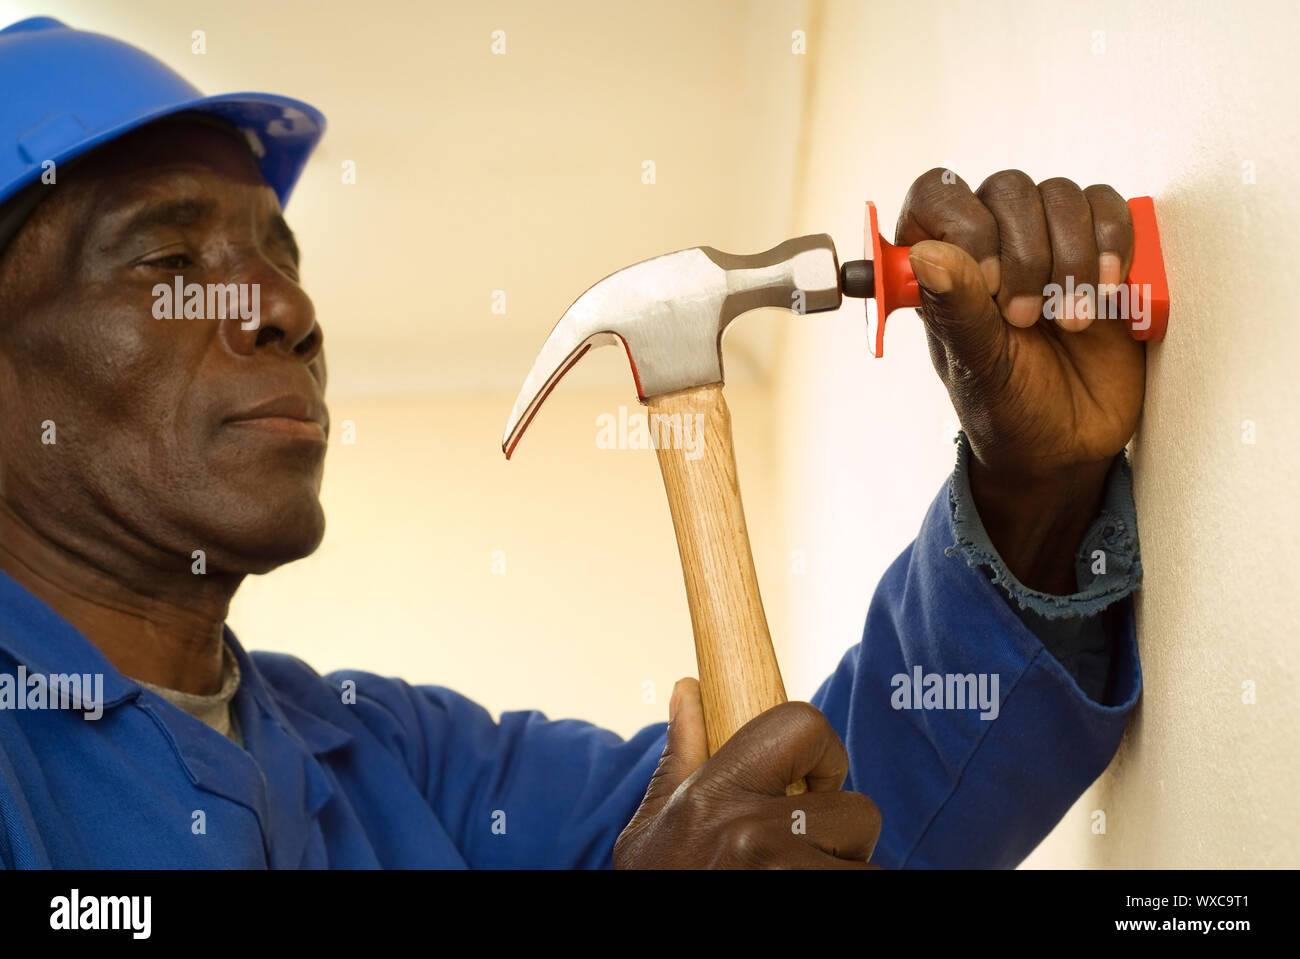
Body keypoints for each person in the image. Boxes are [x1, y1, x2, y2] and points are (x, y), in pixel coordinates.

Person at [0, 17, 1142, 869]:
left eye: (281, 256)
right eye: (169, 263)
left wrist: (1030, 492)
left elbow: (834, 814)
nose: (286, 311)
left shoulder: (395, 757)